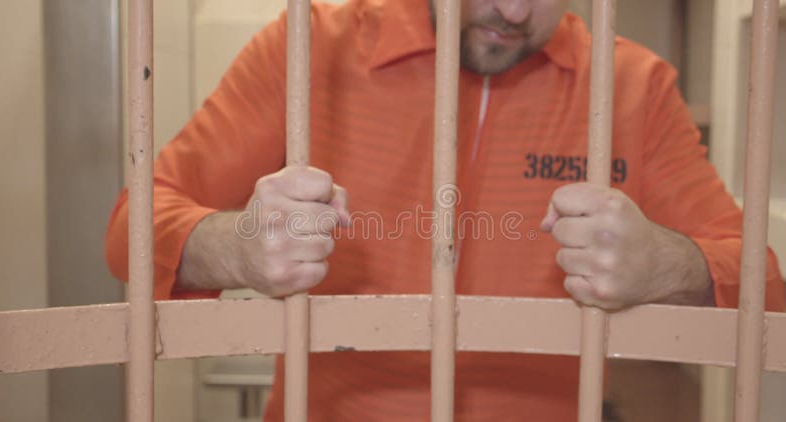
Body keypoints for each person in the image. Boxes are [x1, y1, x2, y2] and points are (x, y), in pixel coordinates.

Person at [105, 0, 785, 420]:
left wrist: (667, 263)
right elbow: (129, 228)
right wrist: (237, 244)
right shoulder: (311, 46)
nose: (514, 12)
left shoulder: (632, 86)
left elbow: (763, 283)